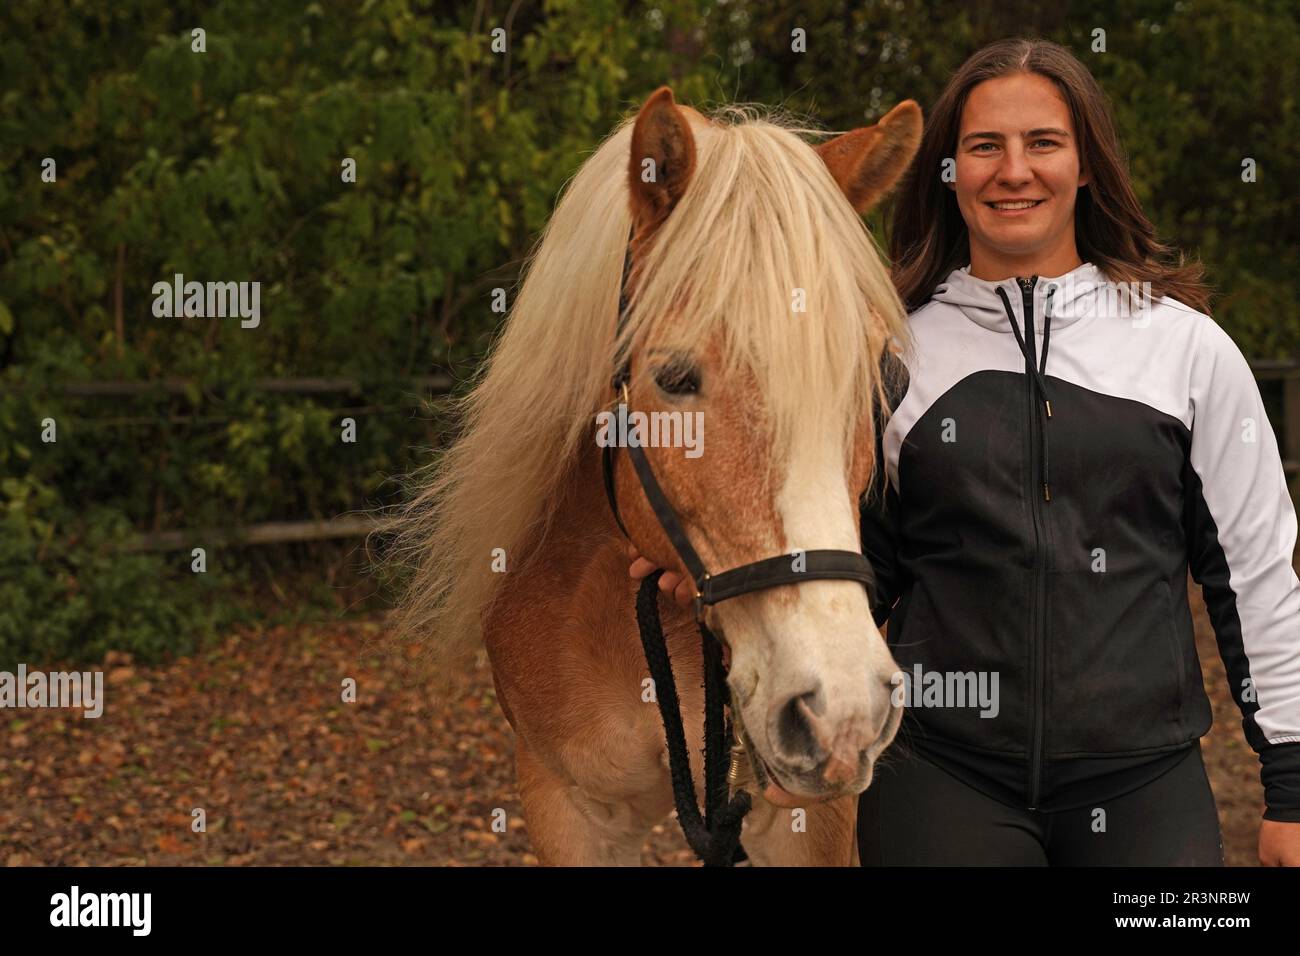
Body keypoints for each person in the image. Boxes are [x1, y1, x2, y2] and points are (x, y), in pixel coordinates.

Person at [629, 37, 1300, 866]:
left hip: (1143, 782)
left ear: (1086, 165)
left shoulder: (1187, 352)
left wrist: (1293, 785)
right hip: (944, 781)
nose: (1012, 170)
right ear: (950, 173)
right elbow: (852, 557)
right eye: (984, 147)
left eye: (1043, 143)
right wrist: (712, 571)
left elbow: (1258, 577)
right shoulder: (884, 355)